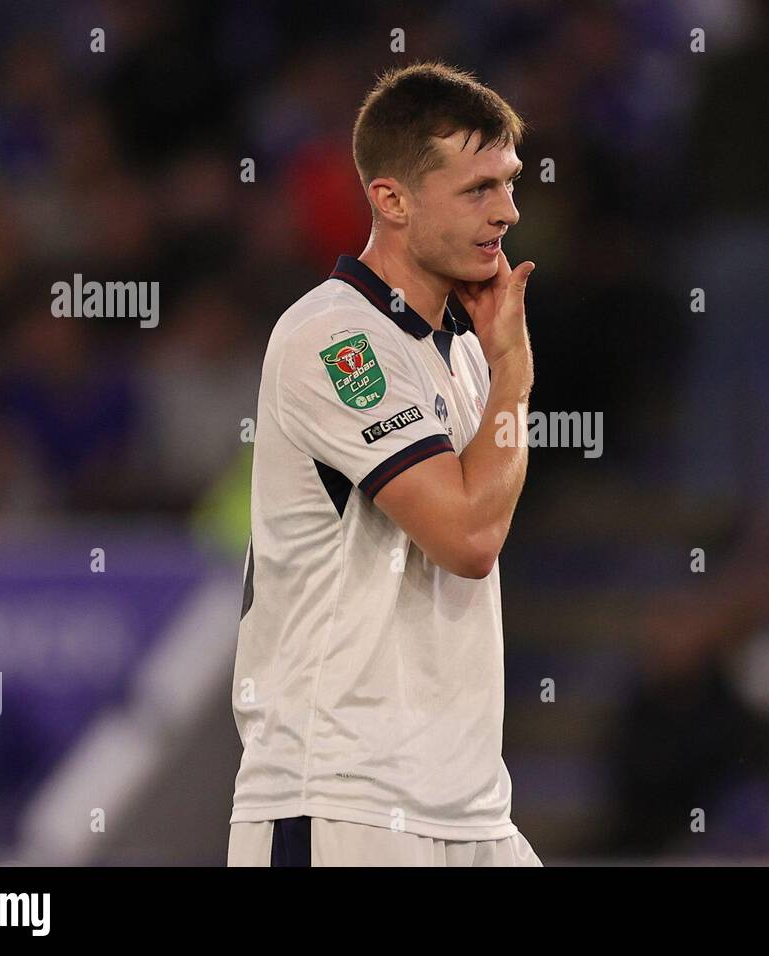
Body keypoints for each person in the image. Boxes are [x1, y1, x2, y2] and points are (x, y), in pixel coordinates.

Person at [226, 61, 540, 866]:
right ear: (391, 199)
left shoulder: (466, 355)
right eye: (478, 189)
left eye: (509, 184)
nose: (507, 212)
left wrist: (496, 368)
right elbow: (469, 539)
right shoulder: (335, 339)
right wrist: (515, 374)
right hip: (342, 800)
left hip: (469, 804)